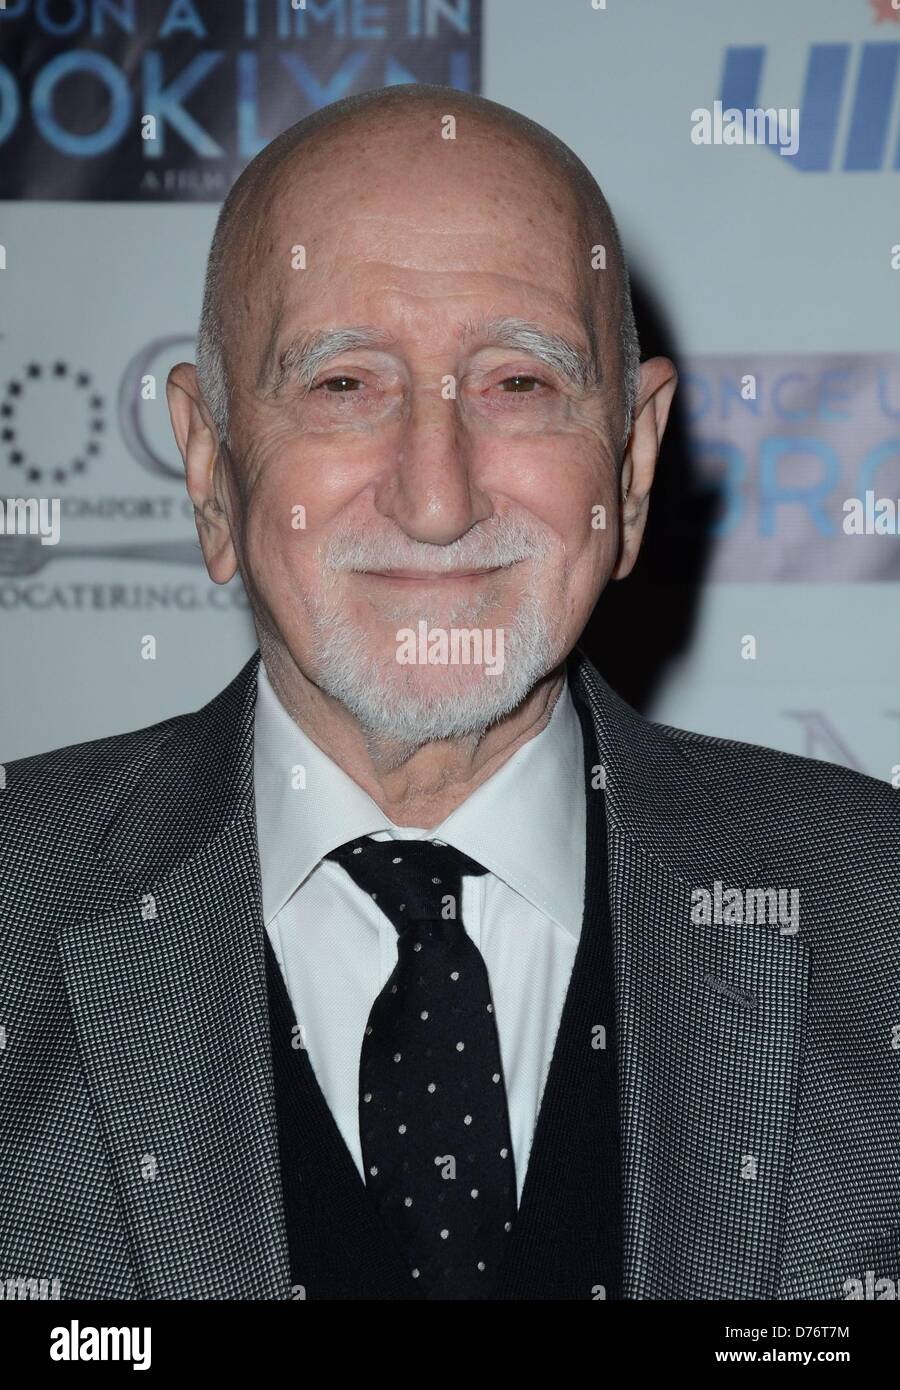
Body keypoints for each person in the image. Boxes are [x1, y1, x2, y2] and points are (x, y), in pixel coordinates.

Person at [1, 84, 897, 1302]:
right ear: (211, 471)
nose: (437, 496)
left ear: (630, 471)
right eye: (343, 384)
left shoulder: (875, 911)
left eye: (519, 383)